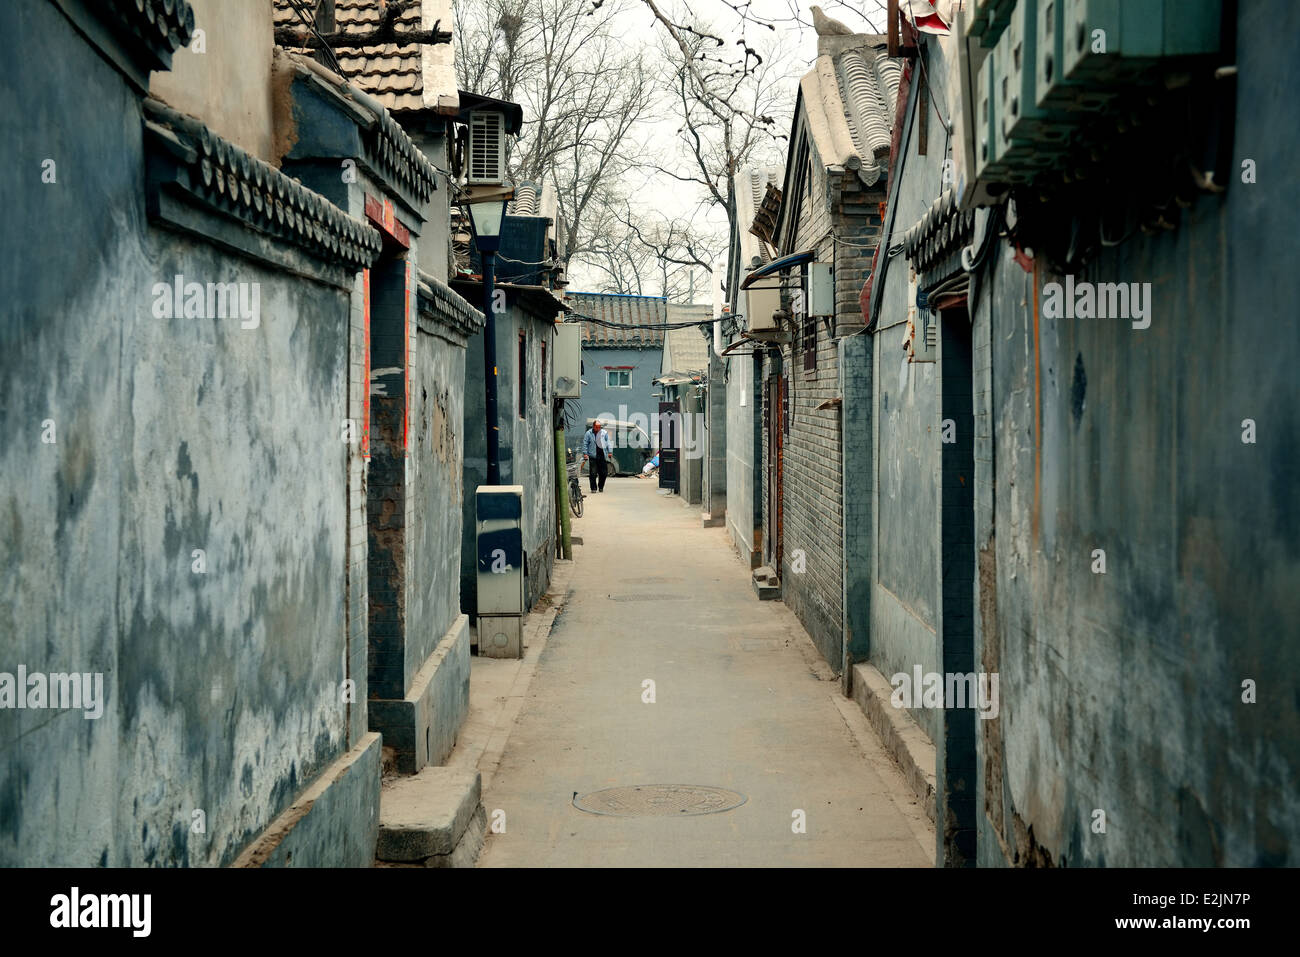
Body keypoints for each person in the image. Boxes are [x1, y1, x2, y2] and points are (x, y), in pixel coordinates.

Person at [582, 419, 613, 493]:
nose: (598, 428)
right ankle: (593, 488)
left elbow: (608, 442)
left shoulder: (604, 433)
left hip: (602, 455)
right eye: (597, 427)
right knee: (593, 473)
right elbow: (585, 444)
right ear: (593, 426)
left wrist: (610, 451)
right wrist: (585, 453)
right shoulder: (588, 433)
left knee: (604, 473)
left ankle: (601, 486)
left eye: (599, 427)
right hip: (593, 456)